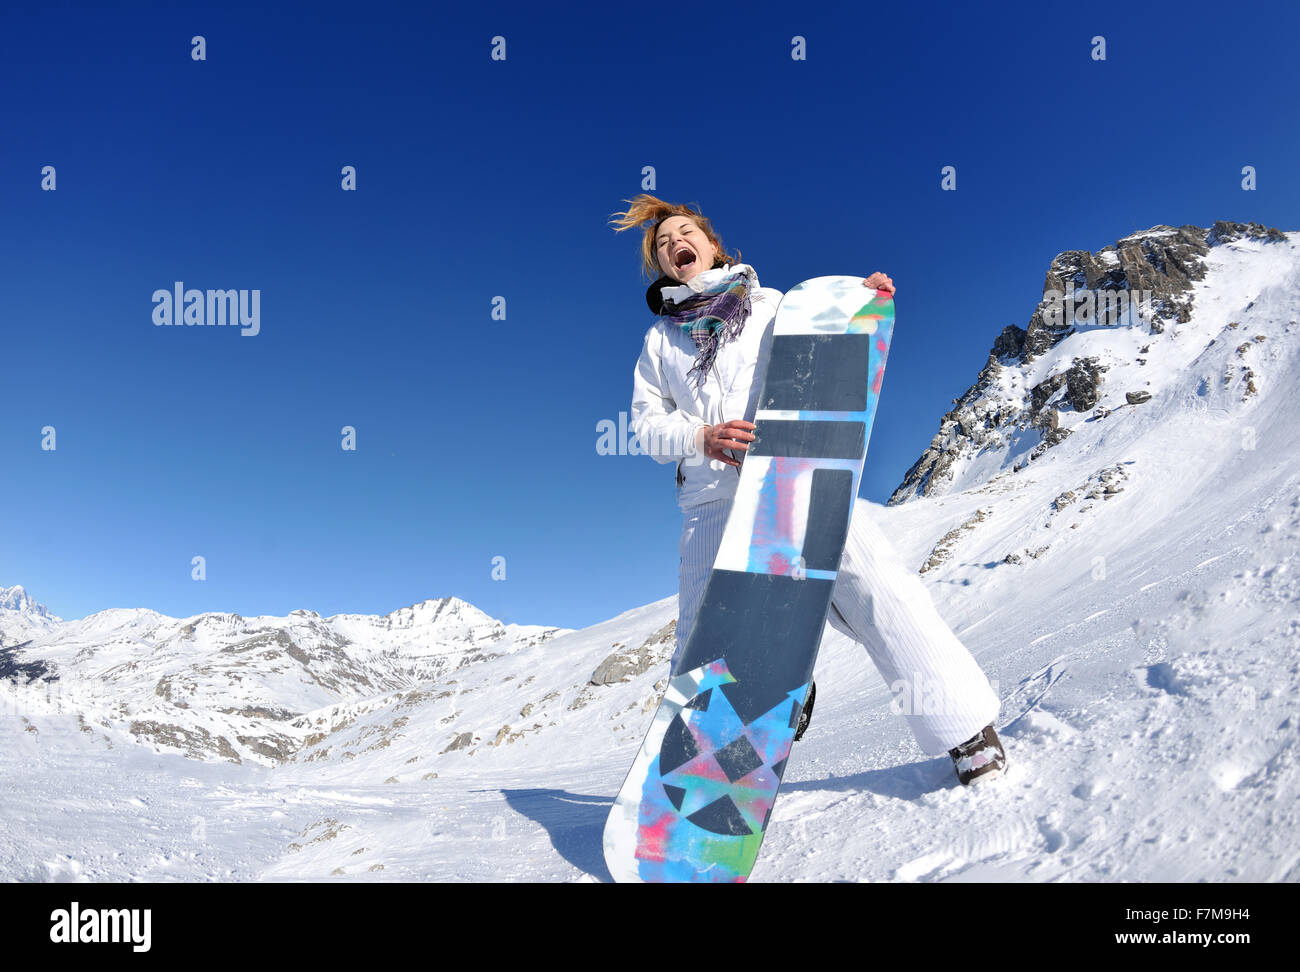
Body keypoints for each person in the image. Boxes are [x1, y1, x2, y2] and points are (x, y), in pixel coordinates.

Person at [608, 194, 1007, 785]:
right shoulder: (660, 342)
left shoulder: (771, 305)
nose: (674, 245)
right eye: (662, 246)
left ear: (714, 246)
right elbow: (644, 425)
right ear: (662, 268)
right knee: (704, 639)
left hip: (799, 473)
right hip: (712, 499)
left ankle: (964, 730)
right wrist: (701, 435)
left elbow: (827, 343)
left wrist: (862, 303)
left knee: (878, 591)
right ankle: (710, 784)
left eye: (684, 233)